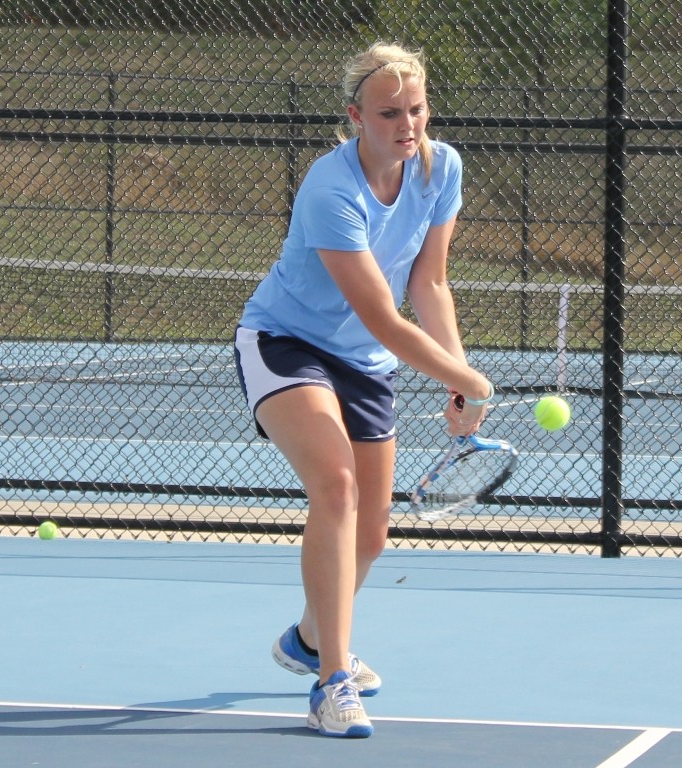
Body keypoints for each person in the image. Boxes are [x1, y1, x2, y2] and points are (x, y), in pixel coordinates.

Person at [233, 41, 493, 738]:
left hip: (367, 362)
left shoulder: (441, 169)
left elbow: (428, 284)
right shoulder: (331, 190)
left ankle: (309, 638)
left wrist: (459, 375)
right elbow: (380, 312)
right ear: (355, 116)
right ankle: (331, 681)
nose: (407, 125)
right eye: (388, 114)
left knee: (371, 536)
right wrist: (463, 378)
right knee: (336, 486)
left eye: (417, 109)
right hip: (287, 342)